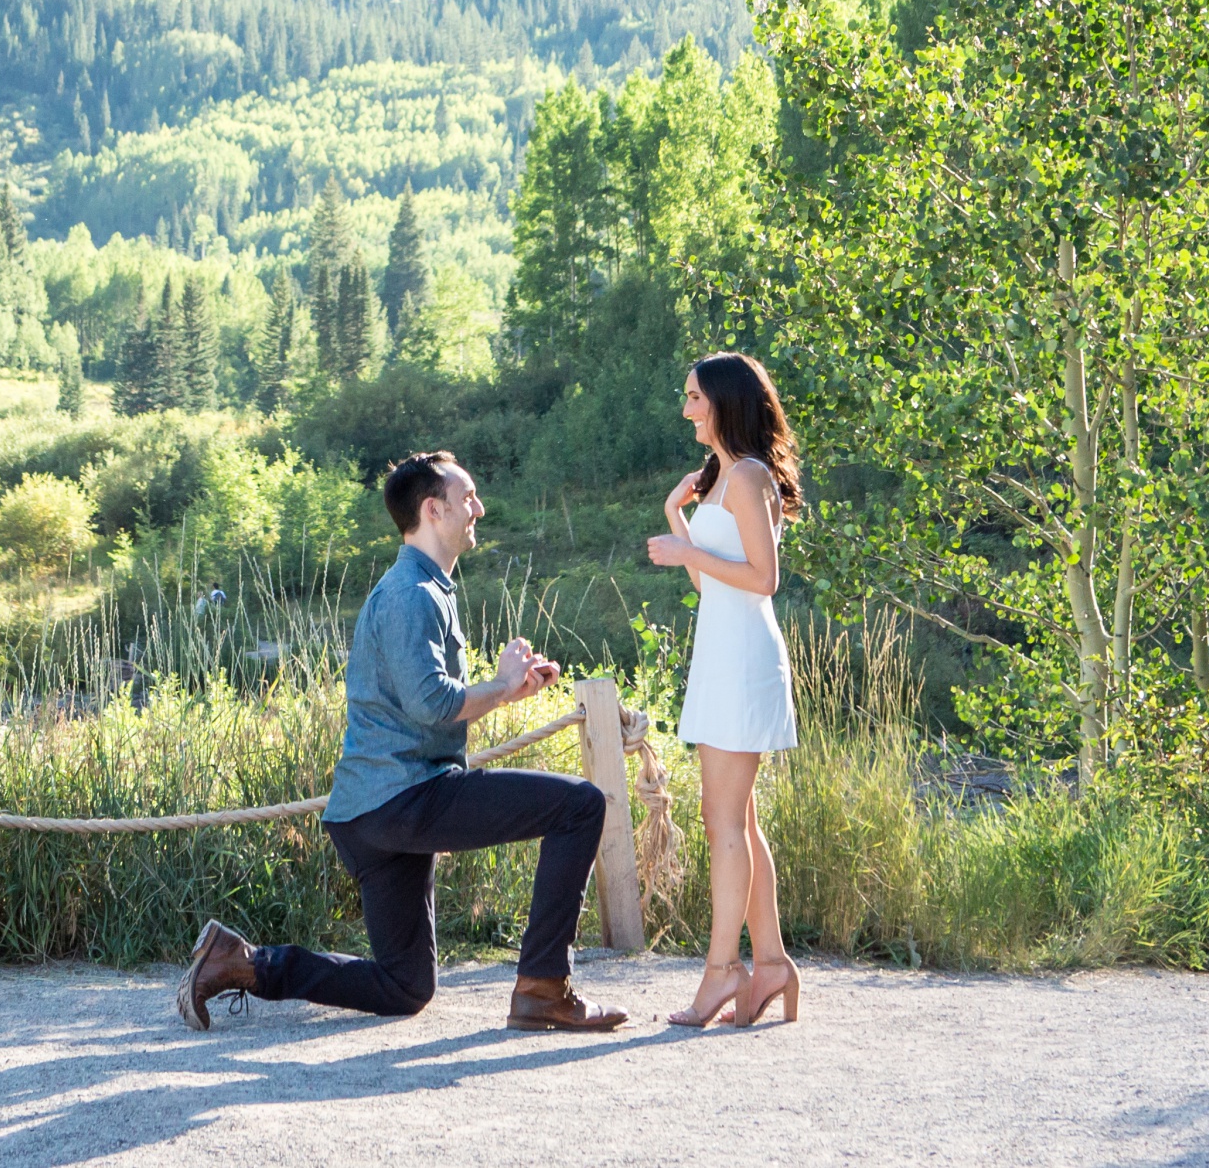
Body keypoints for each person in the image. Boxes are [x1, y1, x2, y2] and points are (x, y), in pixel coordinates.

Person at [177, 449, 627, 1034]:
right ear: (434, 509)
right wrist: (496, 683)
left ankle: (241, 964)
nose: (479, 508)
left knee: (405, 986)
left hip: (371, 814)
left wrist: (506, 693)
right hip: (406, 800)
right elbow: (432, 702)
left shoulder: (424, 588)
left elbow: (421, 708)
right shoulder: (412, 593)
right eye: (468, 498)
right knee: (579, 805)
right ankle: (544, 987)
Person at [647, 353, 802, 1028]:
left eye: (694, 399)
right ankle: (768, 965)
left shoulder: (747, 476)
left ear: (724, 403)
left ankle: (722, 972)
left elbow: (763, 578)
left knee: (723, 823)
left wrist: (686, 550)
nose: (685, 411)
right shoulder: (720, 478)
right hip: (722, 653)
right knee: (738, 822)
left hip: (743, 661)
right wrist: (677, 517)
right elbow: (713, 583)